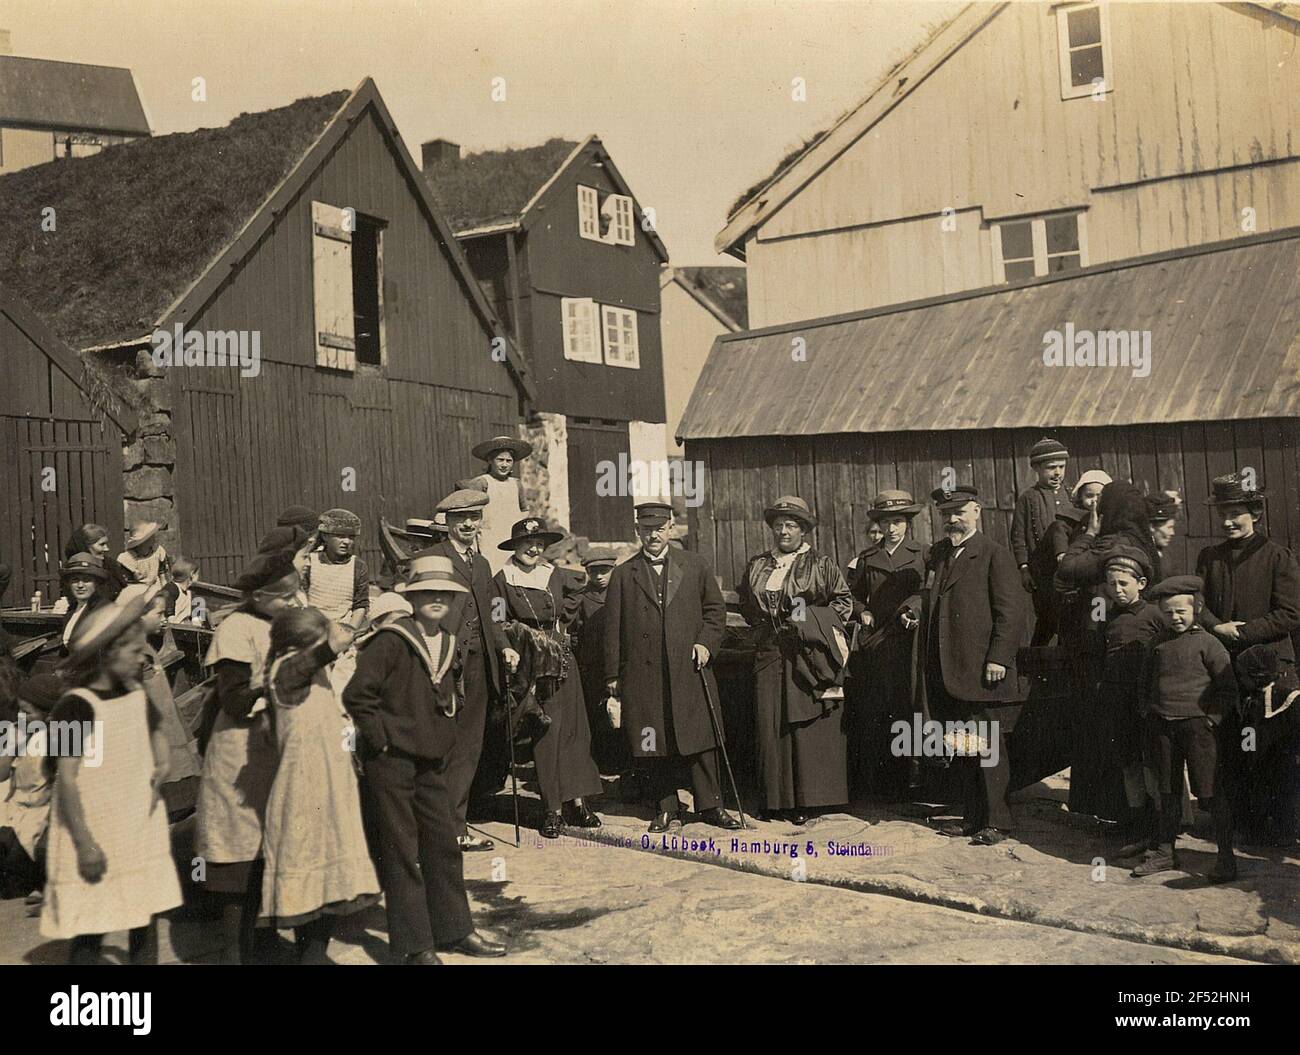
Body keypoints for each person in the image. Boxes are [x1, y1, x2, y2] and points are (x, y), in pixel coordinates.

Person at [343, 554, 507, 964]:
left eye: (444, 594)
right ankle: (415, 946)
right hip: (391, 763)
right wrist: (382, 743)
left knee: (444, 846)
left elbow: (445, 697)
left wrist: (444, 737)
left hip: (432, 763)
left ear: (453, 601)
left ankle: (454, 930)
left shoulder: (447, 641)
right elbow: (357, 696)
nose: (436, 599)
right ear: (412, 598)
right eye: (427, 592)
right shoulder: (391, 640)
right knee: (402, 852)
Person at [41, 594, 182, 963]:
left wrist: (161, 764)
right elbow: (66, 779)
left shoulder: (135, 692)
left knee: (144, 913)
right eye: (135, 651)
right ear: (108, 653)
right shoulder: (73, 706)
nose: (142, 657)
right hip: (90, 829)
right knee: (92, 920)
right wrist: (85, 842)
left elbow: (153, 730)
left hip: (134, 826)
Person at [604, 500, 742, 833]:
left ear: (671, 530)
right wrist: (612, 677)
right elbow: (612, 630)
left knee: (700, 738)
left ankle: (712, 806)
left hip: (689, 670)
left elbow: (715, 613)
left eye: (659, 529)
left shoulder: (695, 565)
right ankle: (665, 807)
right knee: (653, 741)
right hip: (644, 675)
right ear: (638, 531)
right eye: (647, 529)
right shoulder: (623, 575)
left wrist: (705, 643)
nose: (653, 535)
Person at [257, 607, 380, 962]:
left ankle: (314, 955)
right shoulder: (286, 671)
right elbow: (310, 660)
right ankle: (309, 957)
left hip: (330, 788)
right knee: (307, 883)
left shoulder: (318, 675)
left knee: (330, 884)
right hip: (302, 790)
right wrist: (333, 642)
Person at [195, 550, 298, 964]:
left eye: (296, 594)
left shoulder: (283, 624)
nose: (293, 603)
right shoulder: (238, 628)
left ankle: (265, 939)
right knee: (235, 858)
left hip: (273, 750)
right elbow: (235, 699)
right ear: (258, 597)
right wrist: (279, 689)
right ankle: (233, 952)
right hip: (240, 752)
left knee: (268, 851)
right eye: (285, 597)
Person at [1195, 471, 1300, 846]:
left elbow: (1290, 613)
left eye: (1236, 512)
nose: (1228, 521)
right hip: (1225, 666)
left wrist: (1243, 632)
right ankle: (1237, 822)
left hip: (1270, 668)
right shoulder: (1210, 558)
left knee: (1271, 748)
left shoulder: (1277, 557)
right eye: (1223, 512)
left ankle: (1276, 827)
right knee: (1234, 744)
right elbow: (1197, 604)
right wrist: (1217, 628)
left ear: (1255, 512)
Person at [921, 485, 1027, 845]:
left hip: (983, 670)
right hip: (951, 671)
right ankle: (971, 817)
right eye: (946, 514)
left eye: (960, 512)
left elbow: (1011, 614)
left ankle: (998, 821)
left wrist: (999, 657)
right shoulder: (942, 557)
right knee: (963, 745)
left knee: (989, 746)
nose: (952, 519)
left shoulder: (994, 555)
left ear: (977, 511)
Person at [739, 496, 853, 823]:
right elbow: (747, 603)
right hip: (769, 651)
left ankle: (805, 801)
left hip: (806, 652)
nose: (783, 531)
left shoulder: (820, 563)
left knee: (802, 723)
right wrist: (763, 625)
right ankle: (774, 800)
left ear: (802, 529)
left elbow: (843, 602)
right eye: (778, 525)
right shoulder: (759, 563)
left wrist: (803, 620)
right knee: (769, 721)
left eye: (790, 525)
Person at [418, 489, 520, 851]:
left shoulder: (482, 564)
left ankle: (455, 827)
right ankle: (436, 827)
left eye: (474, 518)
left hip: (481, 666)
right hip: (444, 666)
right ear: (446, 522)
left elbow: (494, 612)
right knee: (442, 746)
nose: (467, 525)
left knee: (468, 748)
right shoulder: (432, 558)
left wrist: (505, 647)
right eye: (460, 519)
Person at [494, 517, 603, 838]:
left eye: (540, 544)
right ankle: (552, 809)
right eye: (527, 543)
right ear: (515, 546)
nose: (534, 548)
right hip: (532, 664)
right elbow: (496, 619)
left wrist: (564, 625)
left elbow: (579, 588)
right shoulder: (503, 579)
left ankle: (578, 802)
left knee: (575, 731)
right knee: (548, 734)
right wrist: (509, 646)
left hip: (562, 658)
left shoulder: (553, 573)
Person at [1132, 576, 1240, 882]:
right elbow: (1144, 681)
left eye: (1181, 611)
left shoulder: (1209, 643)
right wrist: (1147, 710)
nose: (1175, 617)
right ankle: (1165, 852)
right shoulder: (1157, 643)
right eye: (1168, 612)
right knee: (1167, 791)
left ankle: (1225, 858)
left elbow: (1228, 687)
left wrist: (1211, 720)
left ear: (1197, 609)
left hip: (1198, 729)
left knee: (1209, 794)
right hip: (1162, 727)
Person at [845, 490, 927, 801]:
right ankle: (880, 783)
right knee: (877, 711)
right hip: (877, 644)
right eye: (886, 522)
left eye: (898, 521)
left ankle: (913, 779)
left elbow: (928, 593)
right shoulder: (867, 558)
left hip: (910, 643)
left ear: (907, 523)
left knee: (909, 709)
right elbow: (849, 594)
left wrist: (913, 613)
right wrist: (860, 611)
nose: (892, 528)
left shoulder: (924, 554)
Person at [1095, 547, 1166, 856]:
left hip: (1146, 701)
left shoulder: (1155, 615)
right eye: (1112, 584)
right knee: (1128, 764)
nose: (1117, 590)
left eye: (1124, 583)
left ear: (1142, 583)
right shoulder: (1107, 617)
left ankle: (1158, 829)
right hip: (1117, 700)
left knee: (1150, 765)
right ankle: (1135, 823)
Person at [118, 585, 203, 816]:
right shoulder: (131, 652)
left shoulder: (146, 646)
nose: (164, 619)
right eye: (159, 614)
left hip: (168, 734)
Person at [0, 674, 60, 900]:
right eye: (20, 712)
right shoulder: (20, 735)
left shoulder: (56, 740)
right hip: (16, 813)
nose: (21, 717)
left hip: (40, 816)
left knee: (14, 869)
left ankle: (45, 884)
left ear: (48, 714)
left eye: (28, 713)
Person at [571, 549, 628, 776]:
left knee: (623, 714)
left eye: (605, 571)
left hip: (619, 665)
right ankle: (601, 761)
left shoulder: (623, 594)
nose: (599, 577)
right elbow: (576, 632)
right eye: (593, 572)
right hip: (593, 667)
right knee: (597, 715)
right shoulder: (583, 598)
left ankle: (625, 761)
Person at [1011, 437, 1072, 646]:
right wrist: (1024, 568)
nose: (1057, 473)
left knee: (1069, 619)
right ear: (1037, 468)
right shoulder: (1028, 498)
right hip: (1042, 572)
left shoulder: (1071, 495)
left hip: (1068, 570)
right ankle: (1036, 667)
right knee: (1046, 619)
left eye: (1061, 467)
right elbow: (1018, 536)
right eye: (1051, 468)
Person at [470, 435, 532, 575]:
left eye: (509, 461)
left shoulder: (516, 484)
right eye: (500, 460)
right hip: (489, 538)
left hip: (512, 538)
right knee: (492, 573)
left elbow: (524, 509)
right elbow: (471, 511)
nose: (504, 464)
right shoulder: (482, 482)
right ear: (490, 460)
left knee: (513, 573)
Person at [58, 553, 114, 650]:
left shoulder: (103, 610)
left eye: (86, 580)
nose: (80, 585)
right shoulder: (72, 611)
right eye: (75, 580)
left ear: (96, 583)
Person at [64, 524, 129, 597]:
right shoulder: (71, 571)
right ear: (85, 546)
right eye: (102, 544)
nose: (106, 549)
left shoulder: (111, 566)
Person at [117, 520, 169, 588]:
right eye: (150, 536)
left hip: (155, 589)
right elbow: (126, 585)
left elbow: (163, 578)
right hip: (136, 591)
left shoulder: (157, 551)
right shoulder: (127, 559)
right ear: (143, 541)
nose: (154, 538)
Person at [158, 554, 202, 625]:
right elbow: (169, 610)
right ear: (192, 574)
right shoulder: (172, 588)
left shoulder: (189, 591)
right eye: (197, 574)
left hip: (182, 627)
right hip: (170, 628)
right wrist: (171, 619)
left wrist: (196, 621)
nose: (198, 577)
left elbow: (194, 610)